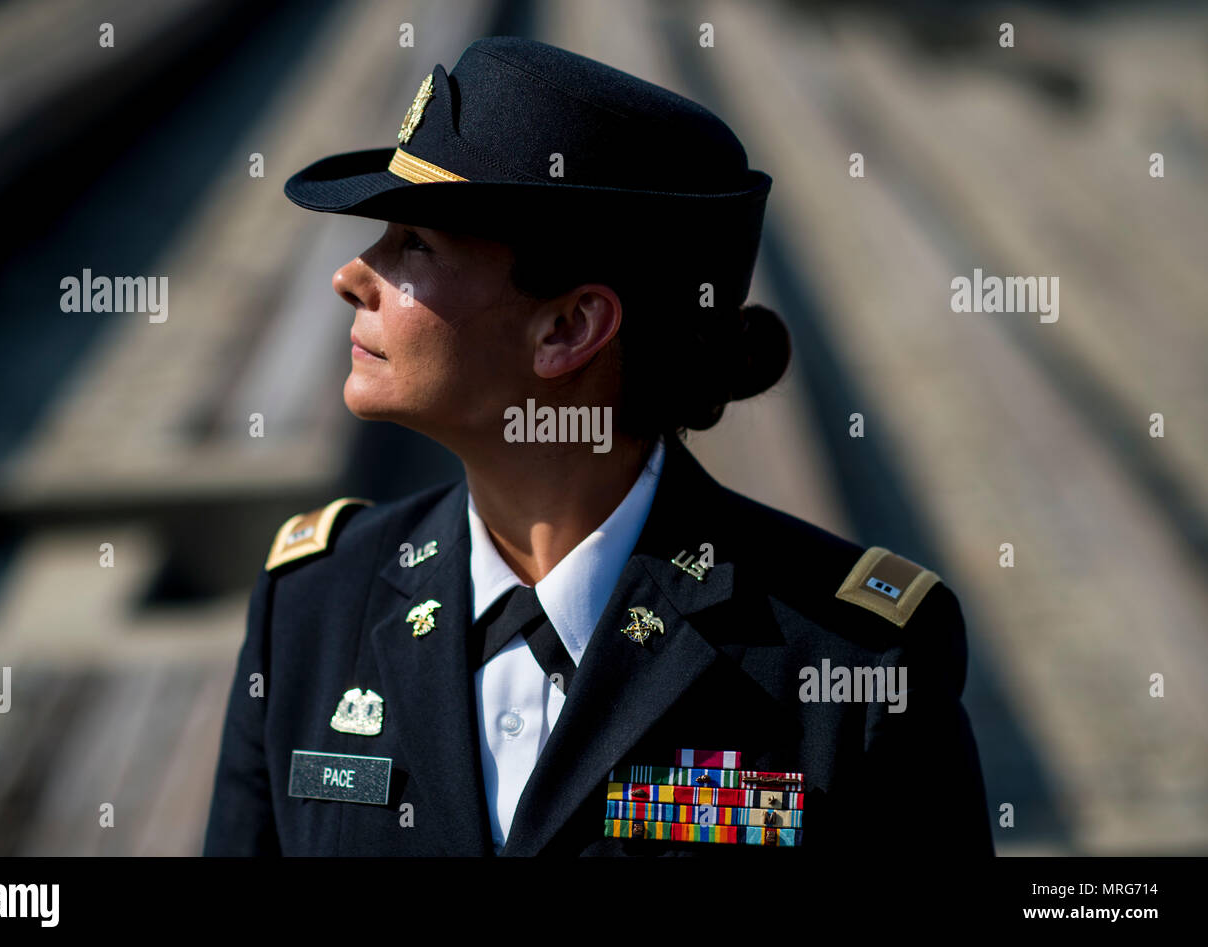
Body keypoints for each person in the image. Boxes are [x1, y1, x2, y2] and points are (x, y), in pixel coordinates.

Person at [202, 36, 993, 856]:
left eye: (415, 245)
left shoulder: (849, 659)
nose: (352, 275)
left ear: (568, 328)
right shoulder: (312, 607)